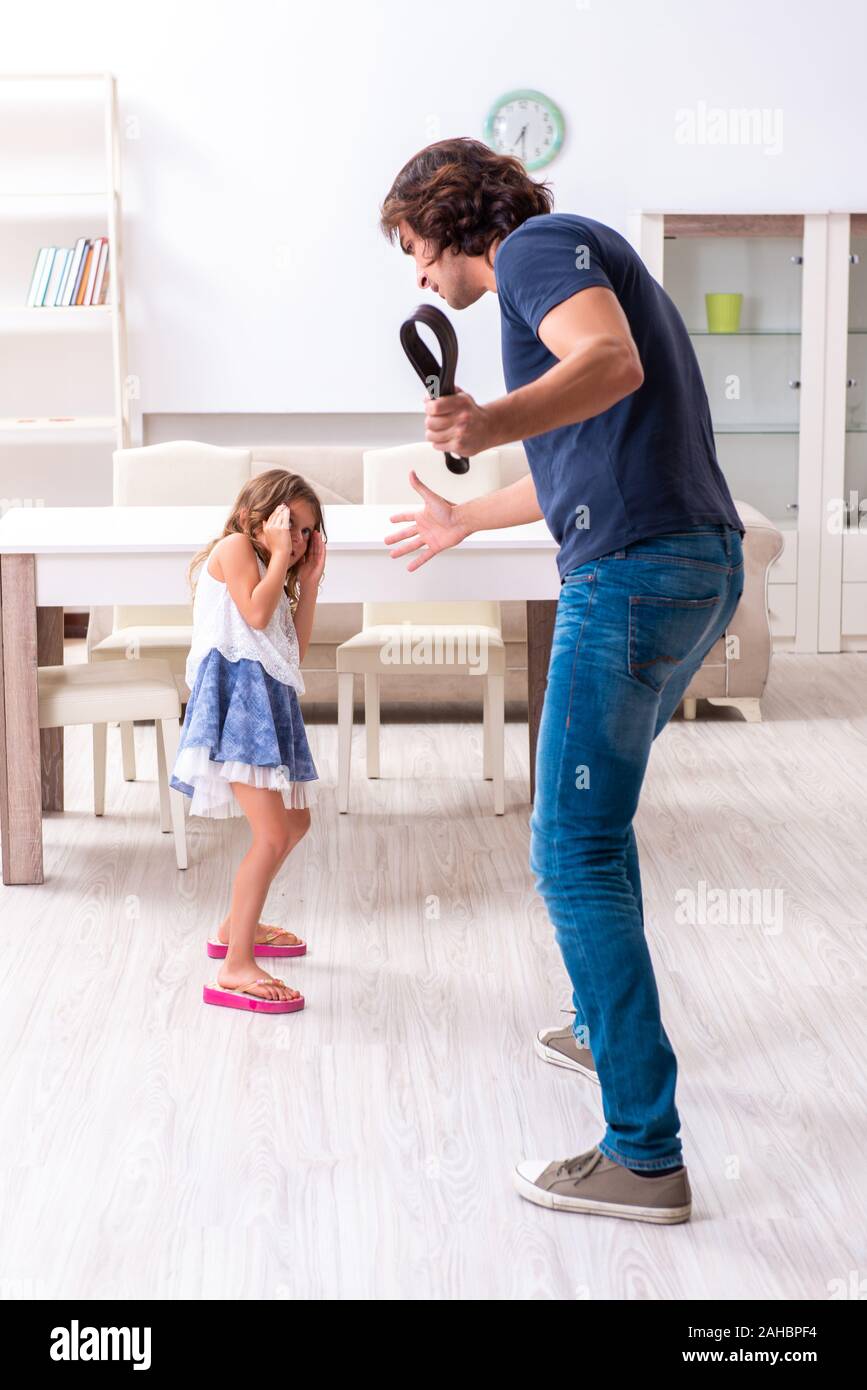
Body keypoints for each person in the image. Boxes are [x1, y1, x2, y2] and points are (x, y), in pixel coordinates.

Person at [379, 137, 744, 1223]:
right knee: (600, 821)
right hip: (689, 567)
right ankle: (601, 1024)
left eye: (411, 249)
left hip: (635, 575)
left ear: (447, 218)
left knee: (567, 844)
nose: (417, 277)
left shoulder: (538, 248)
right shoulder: (561, 265)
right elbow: (577, 461)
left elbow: (612, 366)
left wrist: (487, 420)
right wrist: (462, 512)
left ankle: (644, 1151)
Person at [169, 470, 326, 1014]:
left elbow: (291, 650)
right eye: (291, 526)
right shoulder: (237, 548)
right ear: (256, 520)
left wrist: (308, 584)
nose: (300, 539)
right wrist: (281, 556)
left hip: (266, 706)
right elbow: (254, 614)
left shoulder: (274, 571)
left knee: (295, 823)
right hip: (238, 709)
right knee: (272, 832)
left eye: (308, 532)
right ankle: (234, 964)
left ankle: (240, 923)